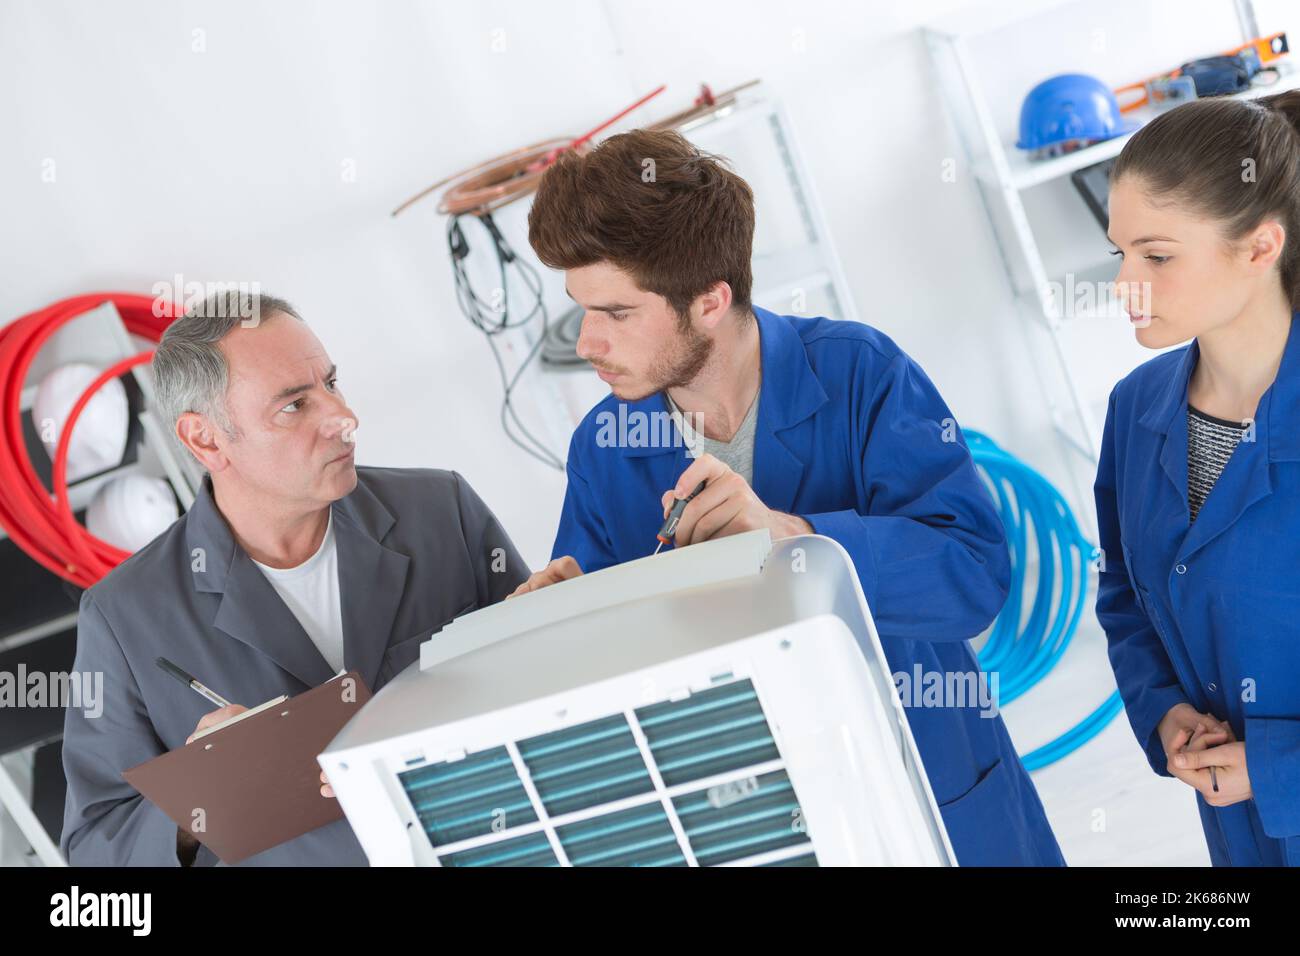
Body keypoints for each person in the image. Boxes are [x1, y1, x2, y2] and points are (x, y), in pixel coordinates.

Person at [513, 128, 1064, 866]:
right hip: (753, 815)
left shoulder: (861, 372)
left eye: (616, 313)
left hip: (927, 778)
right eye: (581, 309)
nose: (586, 343)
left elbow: (973, 575)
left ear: (709, 302)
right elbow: (619, 677)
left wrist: (792, 536)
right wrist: (562, 623)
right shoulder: (604, 447)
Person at [61, 290, 527, 865]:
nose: (343, 417)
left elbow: (551, 692)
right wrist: (198, 799)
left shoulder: (441, 509)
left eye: (331, 384)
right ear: (205, 439)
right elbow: (94, 855)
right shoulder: (124, 618)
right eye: (294, 405)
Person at [1096, 90, 1300, 866]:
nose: (1124, 284)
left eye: (1158, 255)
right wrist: (1164, 710)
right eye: (1120, 254)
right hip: (1239, 835)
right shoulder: (1136, 408)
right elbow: (1124, 594)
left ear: (1259, 248)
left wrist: (1281, 768)